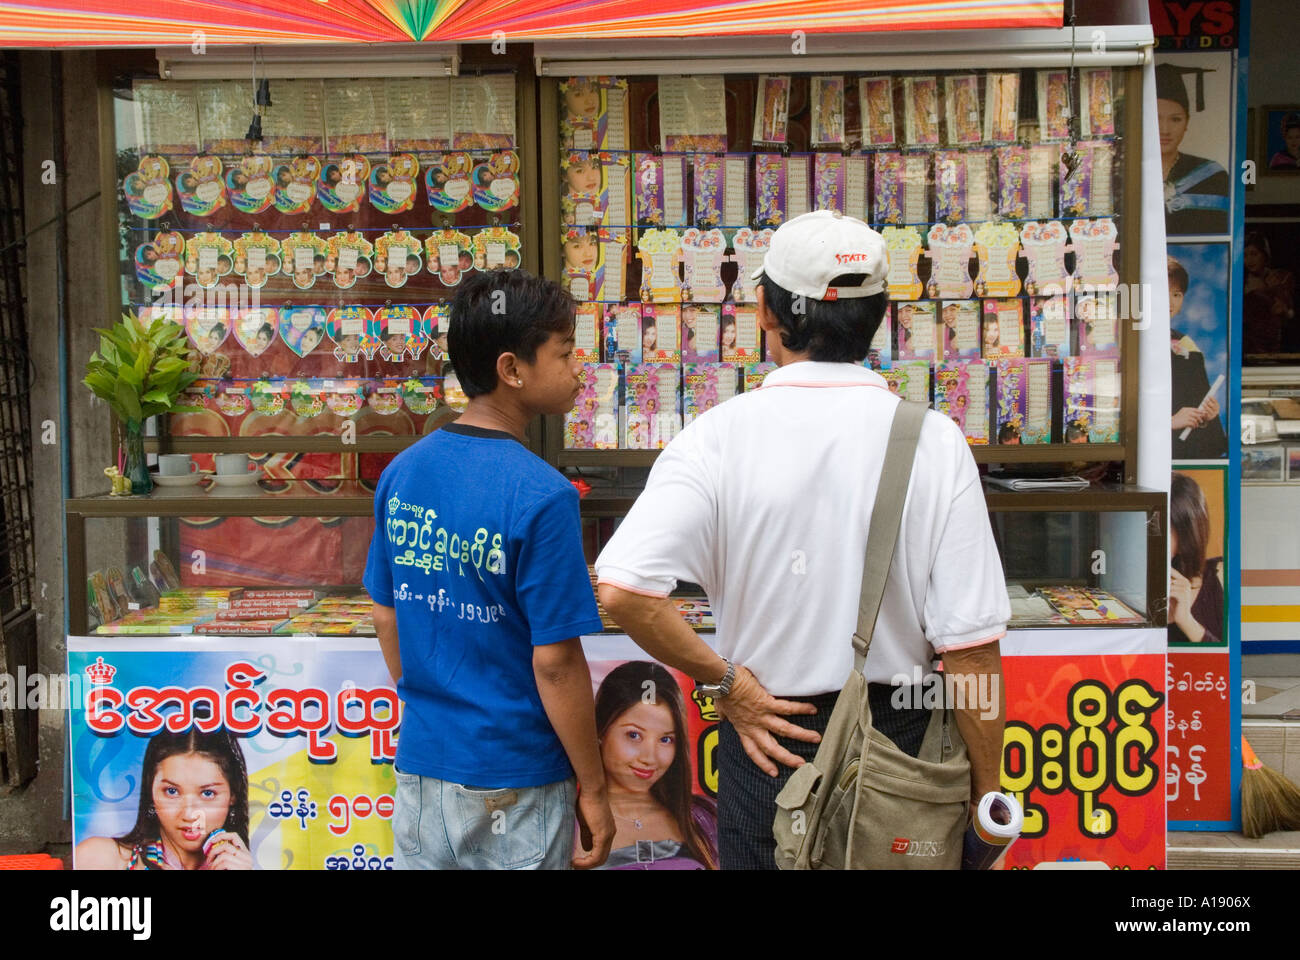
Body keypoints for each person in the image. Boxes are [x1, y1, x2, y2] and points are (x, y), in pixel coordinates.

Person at [594, 210, 1008, 870]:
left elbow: (623, 590)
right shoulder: (933, 442)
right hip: (898, 753)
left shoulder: (717, 438)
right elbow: (972, 653)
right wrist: (991, 796)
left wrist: (726, 683)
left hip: (768, 747)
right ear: (877, 315)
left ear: (765, 311)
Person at [364, 269, 614, 870]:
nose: (580, 368)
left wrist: (436, 703)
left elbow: (386, 613)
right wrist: (596, 787)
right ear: (512, 369)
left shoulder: (404, 471)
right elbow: (555, 664)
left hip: (424, 766)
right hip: (516, 774)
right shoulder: (544, 495)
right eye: (564, 352)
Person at [591, 661, 718, 870]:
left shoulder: (703, 816)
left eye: (666, 739)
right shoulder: (566, 822)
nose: (650, 757)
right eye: (634, 735)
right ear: (600, 731)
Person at [75, 727, 253, 870]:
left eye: (208, 794)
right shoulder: (100, 858)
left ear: (233, 795)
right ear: (151, 790)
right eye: (172, 791)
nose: (190, 815)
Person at [1156, 62, 1229, 236]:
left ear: (1186, 123)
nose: (1164, 129)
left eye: (1175, 119)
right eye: (1156, 118)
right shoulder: (1127, 171)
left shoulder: (1213, 176)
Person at [1168, 255, 1227, 459]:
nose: (1170, 302)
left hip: (1184, 455)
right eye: (1163, 293)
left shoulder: (1186, 345)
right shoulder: (1126, 341)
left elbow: (1196, 399)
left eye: (1177, 294)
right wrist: (1169, 423)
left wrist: (1206, 417)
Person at [1169, 472, 1224, 644]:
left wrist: (1186, 620)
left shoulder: (1220, 576)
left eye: (1163, 529)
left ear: (1187, 535)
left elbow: (1225, 663)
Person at [1242, 230, 1297, 356]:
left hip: (1273, 347)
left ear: (1264, 254)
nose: (1249, 260)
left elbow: (1290, 314)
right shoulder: (1239, 283)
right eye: (1245, 255)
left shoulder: (1281, 278)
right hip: (1246, 347)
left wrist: (1285, 310)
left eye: (1254, 254)